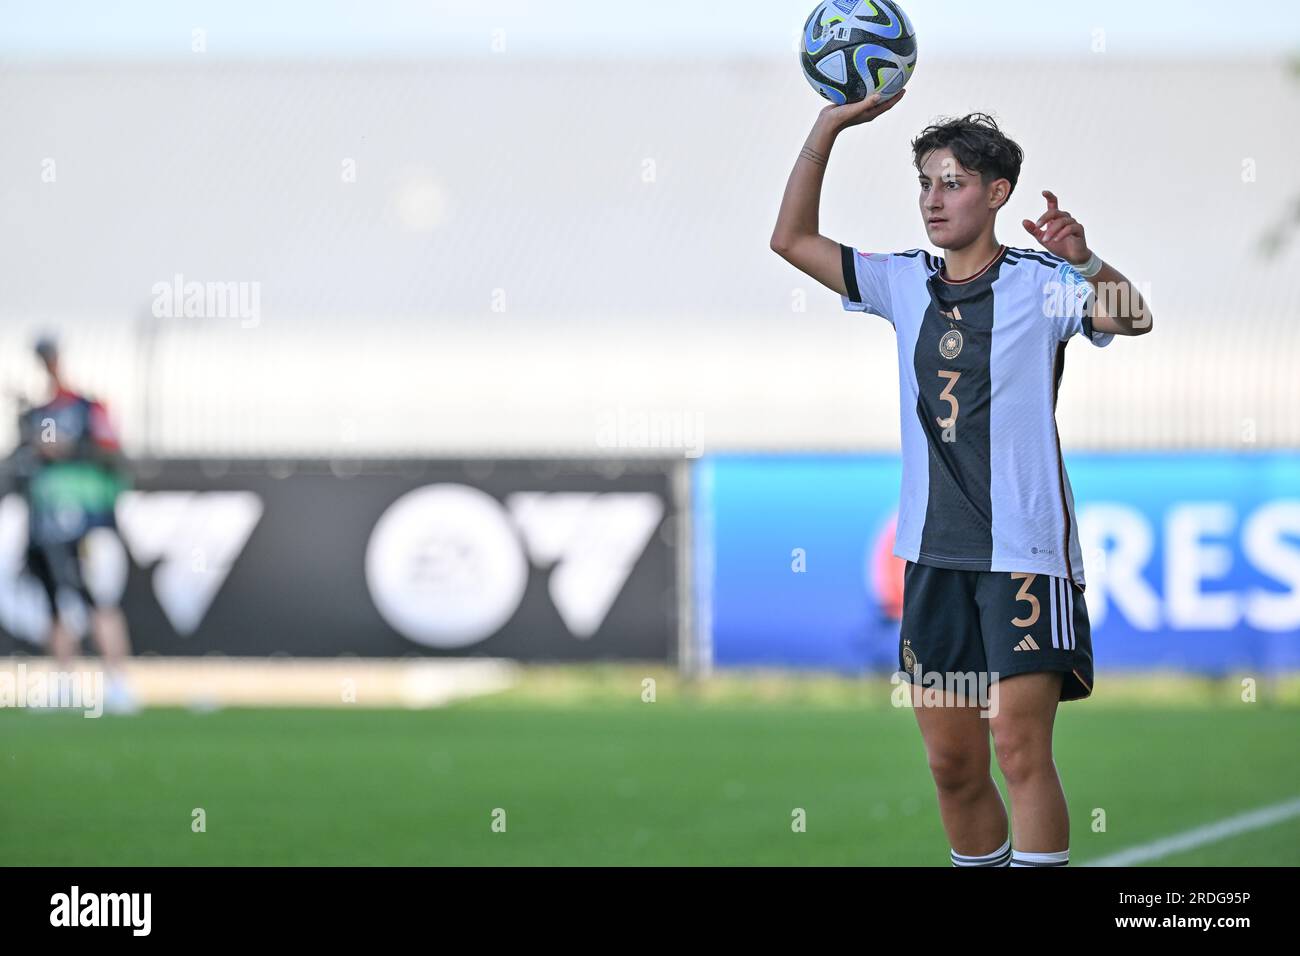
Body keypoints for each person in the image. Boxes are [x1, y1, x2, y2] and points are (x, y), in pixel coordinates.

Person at [770, 91, 1153, 867]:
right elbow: (791, 239)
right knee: (952, 765)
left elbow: (1134, 317)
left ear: (997, 193)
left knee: (1018, 750)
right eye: (924, 183)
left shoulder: (1043, 282)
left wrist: (1084, 258)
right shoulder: (903, 280)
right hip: (935, 559)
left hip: (1024, 558)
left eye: (951, 182)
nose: (932, 200)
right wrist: (829, 125)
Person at [16, 336, 138, 714]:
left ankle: (117, 683)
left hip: (88, 520)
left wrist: (67, 448)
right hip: (45, 523)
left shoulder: (87, 408)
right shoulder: (35, 415)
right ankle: (66, 681)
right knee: (55, 603)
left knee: (99, 599)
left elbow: (111, 453)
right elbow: (26, 458)